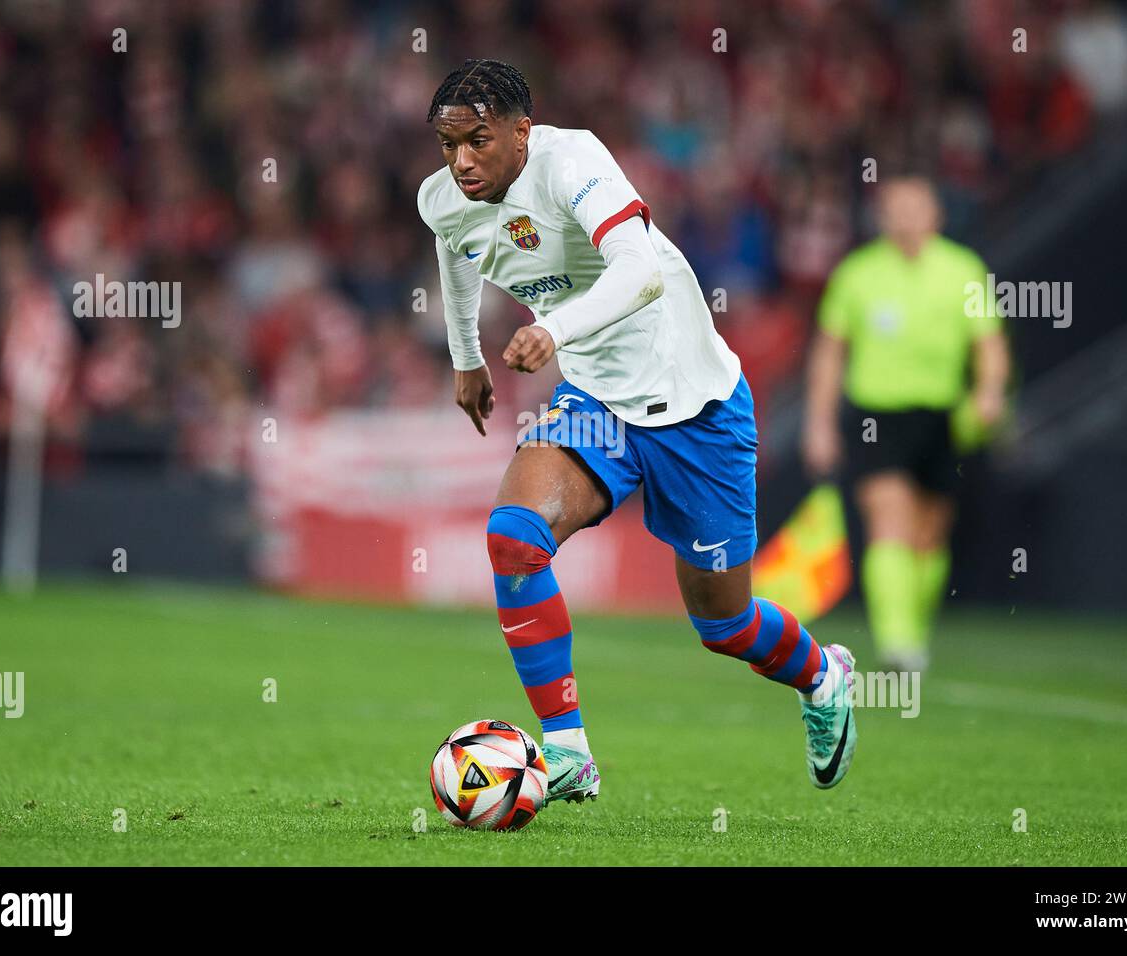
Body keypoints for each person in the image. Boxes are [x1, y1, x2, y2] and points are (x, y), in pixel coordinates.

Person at [417, 59, 857, 804]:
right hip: (597, 400)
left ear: (522, 133)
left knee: (723, 623)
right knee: (514, 539)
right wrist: (467, 359)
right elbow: (458, 254)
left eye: (479, 142)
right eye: (448, 143)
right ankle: (568, 751)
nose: (462, 161)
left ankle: (822, 676)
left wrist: (552, 328)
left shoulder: (572, 161)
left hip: (697, 406)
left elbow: (641, 271)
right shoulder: (444, 198)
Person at [802, 176, 1010, 673]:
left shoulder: (963, 269)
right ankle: (897, 642)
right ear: (882, 216)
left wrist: (989, 391)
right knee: (888, 517)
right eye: (896, 207)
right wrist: (819, 422)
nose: (906, 217)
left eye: (916, 207)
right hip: (878, 416)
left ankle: (912, 626)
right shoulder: (858, 273)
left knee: (930, 534)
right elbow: (830, 351)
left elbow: (989, 344)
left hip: (941, 415)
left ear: (936, 214)